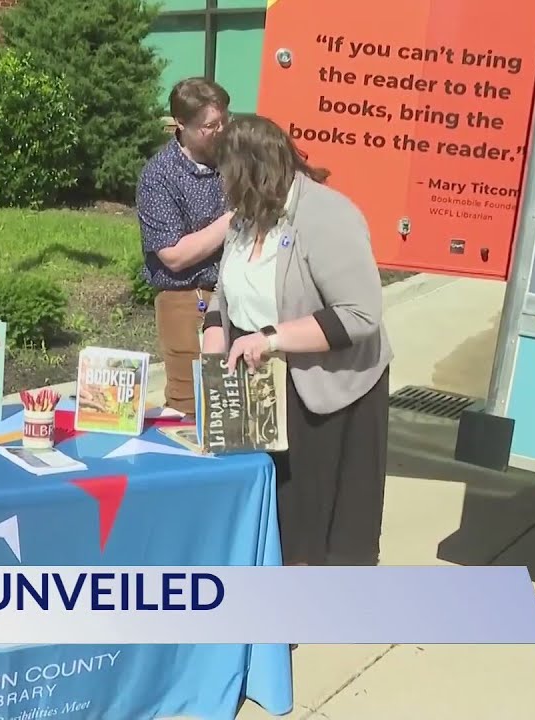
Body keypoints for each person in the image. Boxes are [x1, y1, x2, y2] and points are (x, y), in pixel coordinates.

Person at [200, 114, 392, 567]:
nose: (219, 182)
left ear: (250, 168)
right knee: (269, 505)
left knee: (309, 515)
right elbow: (225, 291)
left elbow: (360, 314)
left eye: (225, 171)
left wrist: (272, 338)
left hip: (325, 387)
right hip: (259, 376)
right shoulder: (244, 218)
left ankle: (303, 610)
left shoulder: (325, 214)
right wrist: (213, 335)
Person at [136, 77, 235, 416]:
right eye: (210, 126)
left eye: (224, 120)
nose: (221, 131)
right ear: (180, 124)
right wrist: (233, 219)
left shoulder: (235, 158)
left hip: (239, 289)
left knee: (237, 404)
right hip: (185, 297)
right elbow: (173, 255)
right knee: (189, 404)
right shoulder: (159, 176)